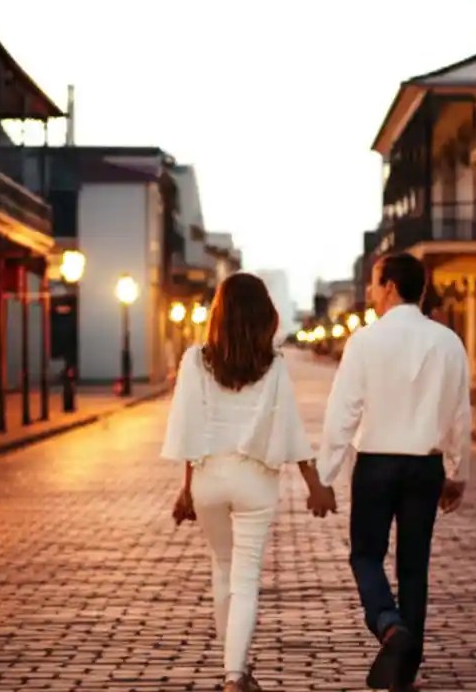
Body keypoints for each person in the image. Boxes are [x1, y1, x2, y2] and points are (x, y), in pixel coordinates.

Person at [162, 272, 337, 692]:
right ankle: (234, 674)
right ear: (265, 316)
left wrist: (187, 488)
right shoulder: (272, 364)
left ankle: (234, 669)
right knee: (245, 577)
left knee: (223, 570)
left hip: (209, 479)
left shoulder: (194, 360)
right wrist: (315, 484)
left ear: (219, 314)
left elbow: (188, 429)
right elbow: (290, 427)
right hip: (254, 480)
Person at [319, 252, 471, 691]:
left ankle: (389, 625)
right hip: (425, 466)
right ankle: (404, 672)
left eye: (373, 283)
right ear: (420, 290)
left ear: (389, 287)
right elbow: (460, 415)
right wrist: (457, 472)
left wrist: (325, 474)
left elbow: (343, 412)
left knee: (366, 554)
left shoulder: (365, 342)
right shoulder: (448, 343)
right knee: (414, 566)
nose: (369, 291)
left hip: (377, 464)